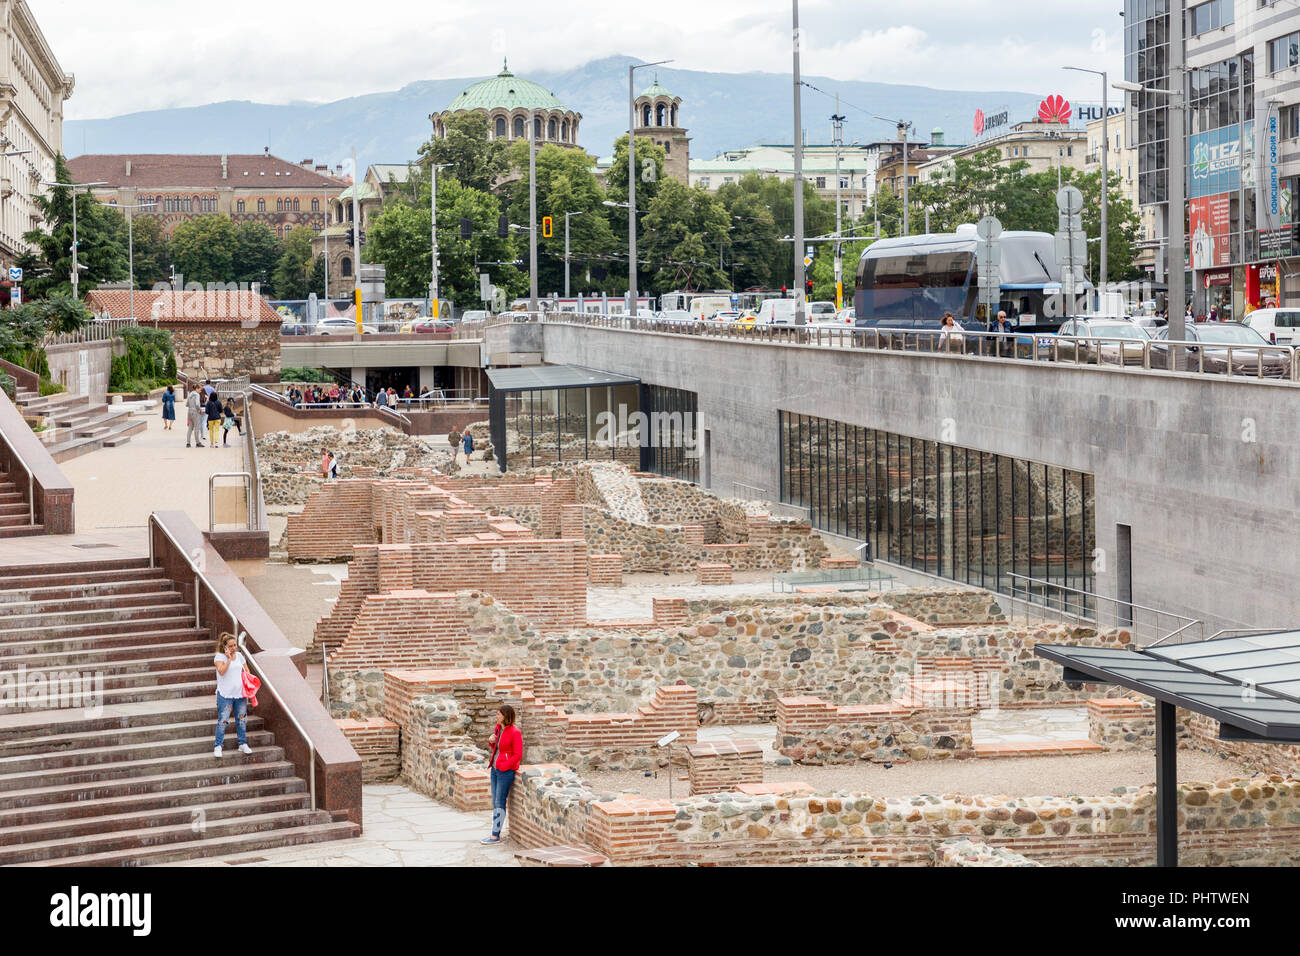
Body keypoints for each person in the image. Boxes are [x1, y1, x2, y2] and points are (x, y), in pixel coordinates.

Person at [481, 704, 521, 844]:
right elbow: (499, 749)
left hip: (505, 772)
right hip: (494, 770)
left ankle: (495, 835)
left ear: (505, 716)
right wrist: (492, 742)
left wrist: (503, 766)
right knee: (494, 801)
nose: (496, 716)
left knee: (499, 802)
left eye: (498, 714)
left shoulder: (515, 732)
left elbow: (517, 755)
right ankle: (495, 832)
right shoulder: (498, 728)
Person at [212, 632, 252, 758]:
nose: (234, 648)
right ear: (225, 647)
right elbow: (222, 671)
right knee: (223, 721)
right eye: (231, 646)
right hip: (225, 695)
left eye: (235, 645)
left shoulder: (240, 656)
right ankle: (218, 746)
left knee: (241, 720)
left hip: (240, 694)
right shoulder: (219, 657)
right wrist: (229, 659)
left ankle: (242, 743)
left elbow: (247, 671)